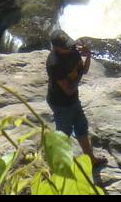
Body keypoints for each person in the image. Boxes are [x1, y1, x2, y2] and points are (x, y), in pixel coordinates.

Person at [45, 30, 104, 165]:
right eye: (65, 46)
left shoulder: (72, 50)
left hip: (73, 100)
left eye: (69, 44)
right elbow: (68, 90)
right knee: (63, 134)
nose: (70, 48)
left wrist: (88, 55)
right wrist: (79, 77)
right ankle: (62, 165)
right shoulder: (54, 64)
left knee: (81, 126)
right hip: (60, 103)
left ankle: (90, 159)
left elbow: (84, 70)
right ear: (56, 48)